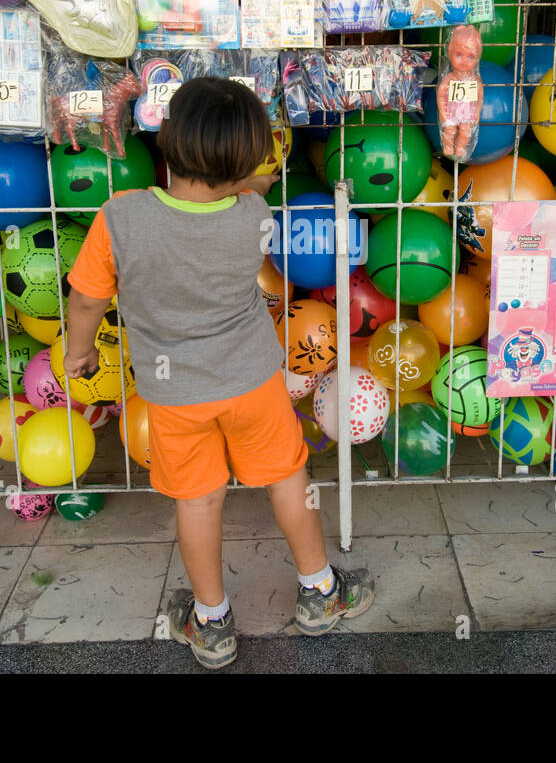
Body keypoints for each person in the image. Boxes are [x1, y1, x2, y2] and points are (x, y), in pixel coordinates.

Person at [63, 77, 374, 669]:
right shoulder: (250, 215)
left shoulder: (121, 219)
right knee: (287, 479)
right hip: (253, 382)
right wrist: (260, 172)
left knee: (198, 502)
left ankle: (212, 622)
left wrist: (80, 353)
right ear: (243, 164)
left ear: (167, 140)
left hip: (174, 394)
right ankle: (320, 591)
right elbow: (249, 187)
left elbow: (85, 300)